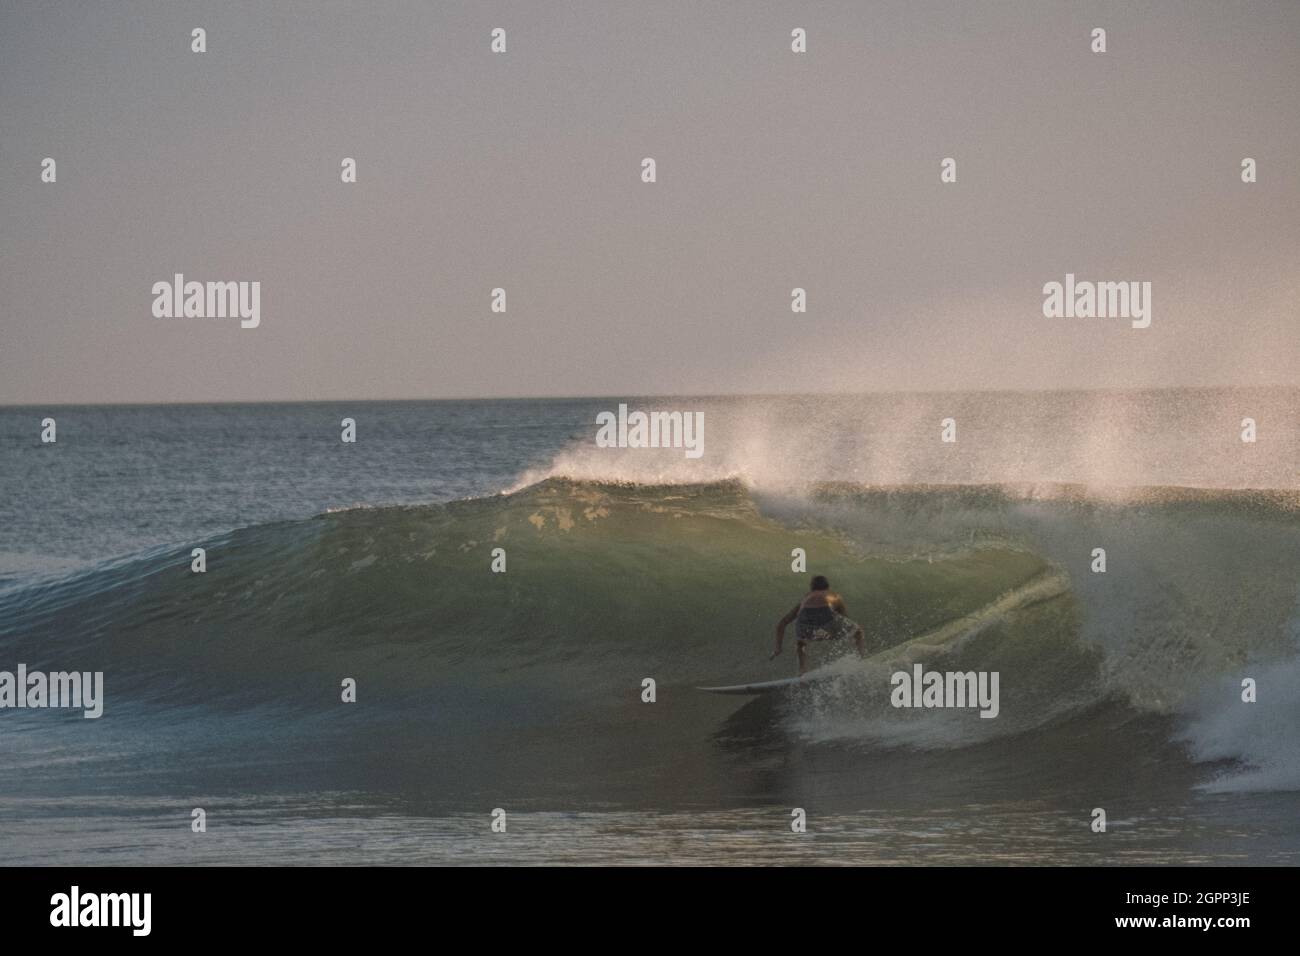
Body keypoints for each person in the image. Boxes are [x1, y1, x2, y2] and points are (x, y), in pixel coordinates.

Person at [771, 575, 866, 675]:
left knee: (801, 642)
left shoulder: (805, 598)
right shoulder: (834, 596)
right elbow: (846, 619)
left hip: (804, 623)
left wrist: (778, 648)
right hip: (826, 619)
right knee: (858, 631)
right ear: (827, 587)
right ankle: (861, 659)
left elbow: (782, 623)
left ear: (812, 587)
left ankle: (802, 670)